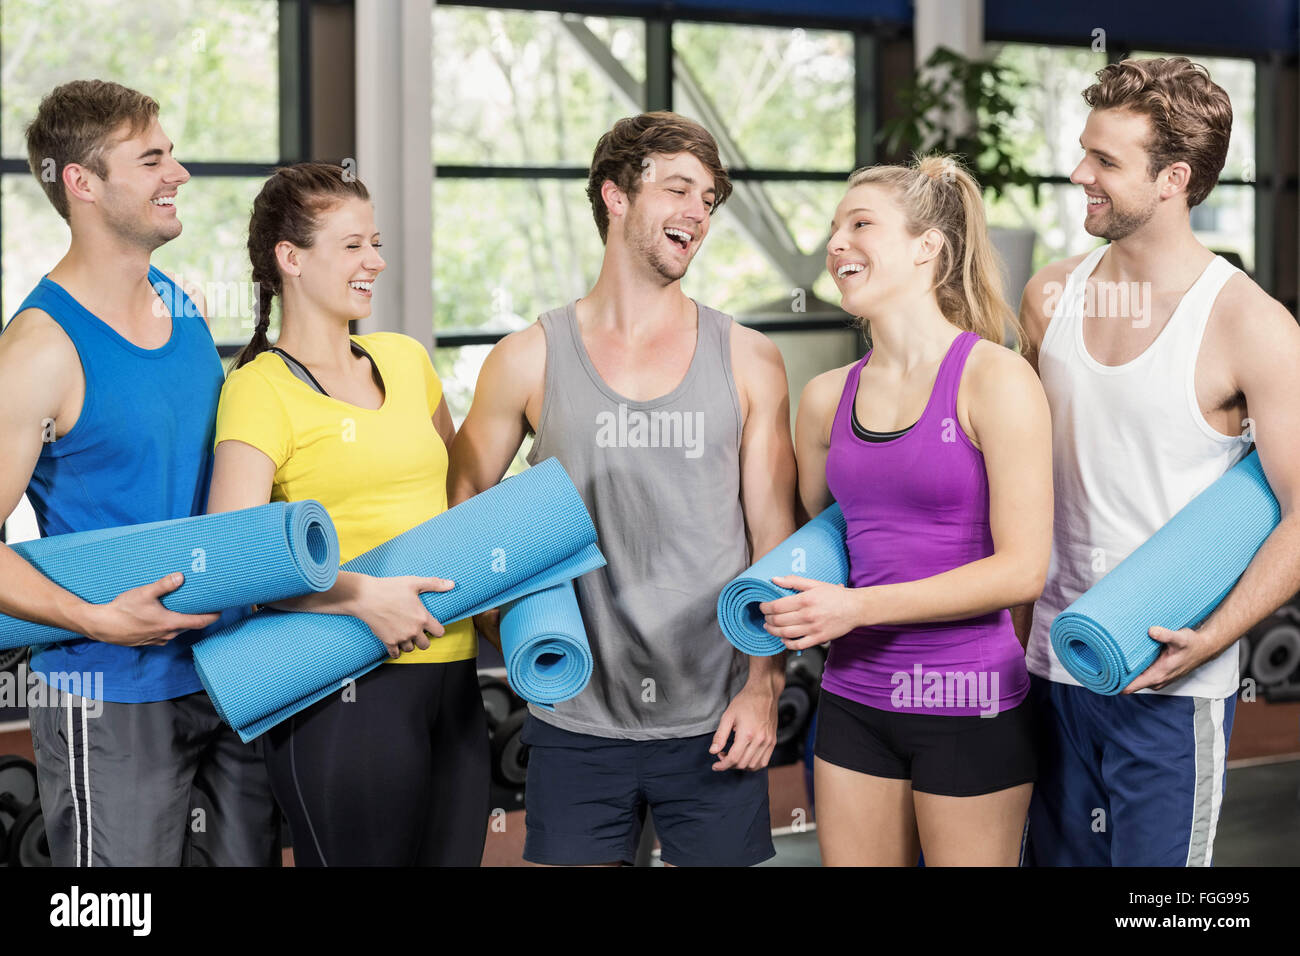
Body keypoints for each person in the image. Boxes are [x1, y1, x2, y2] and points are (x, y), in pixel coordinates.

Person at [448, 112, 796, 867]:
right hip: (576, 721)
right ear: (614, 196)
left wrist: (765, 687)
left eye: (709, 198)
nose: (698, 213)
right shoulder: (527, 358)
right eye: (678, 189)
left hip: (717, 715)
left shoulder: (749, 360)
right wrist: (518, 630)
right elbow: (468, 508)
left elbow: (775, 543)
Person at [1017, 57, 1300, 866]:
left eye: (1105, 162)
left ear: (1174, 178)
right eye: (1084, 152)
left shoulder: (1251, 325)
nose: (1079, 175)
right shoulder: (1050, 296)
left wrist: (1212, 636)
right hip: (1049, 662)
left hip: (1168, 683)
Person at [0, 80, 279, 866]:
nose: (179, 172)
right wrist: (92, 619)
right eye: (152, 158)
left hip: (226, 676)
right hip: (108, 692)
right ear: (82, 184)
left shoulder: (181, 305)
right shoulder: (38, 351)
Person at [763, 155, 1052, 866]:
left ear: (929, 247)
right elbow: (829, 539)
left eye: (861, 224)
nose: (836, 244)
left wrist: (857, 609)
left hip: (970, 698)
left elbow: (1022, 572)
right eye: (833, 228)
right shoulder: (826, 398)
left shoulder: (995, 379)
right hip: (855, 701)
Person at [206, 162, 489, 866]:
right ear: (291, 259)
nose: (377, 262)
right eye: (354, 245)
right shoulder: (258, 390)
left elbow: (461, 500)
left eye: (378, 242)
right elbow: (232, 562)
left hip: (453, 675)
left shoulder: (406, 359)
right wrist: (362, 598)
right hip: (345, 688)